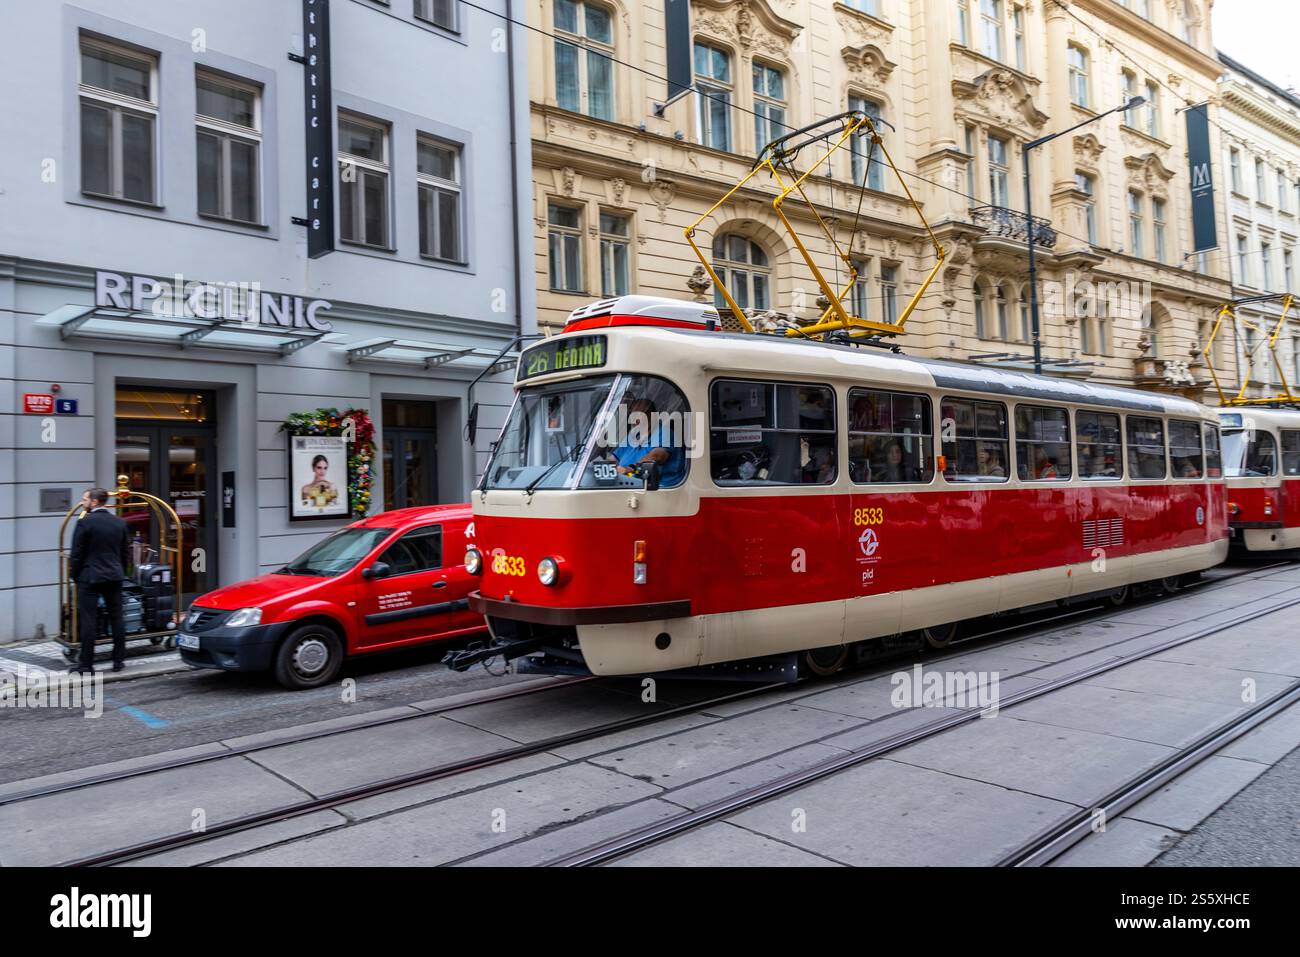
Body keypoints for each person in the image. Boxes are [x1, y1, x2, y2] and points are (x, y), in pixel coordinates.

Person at [68, 487, 131, 675]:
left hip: (90, 576)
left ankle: (87, 665)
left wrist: (75, 575)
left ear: (94, 502)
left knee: (89, 620)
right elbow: (125, 553)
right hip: (114, 575)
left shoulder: (84, 523)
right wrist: (120, 571)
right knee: (117, 617)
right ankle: (118, 661)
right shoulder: (119, 523)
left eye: (85, 499)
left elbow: (76, 553)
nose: (83, 502)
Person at [602, 396, 685, 487]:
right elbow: (614, 457)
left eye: (641, 414)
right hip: (629, 485)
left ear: (652, 415)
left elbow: (657, 456)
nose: (636, 420)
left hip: (660, 488)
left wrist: (631, 468)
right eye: (633, 414)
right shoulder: (634, 434)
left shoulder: (664, 432)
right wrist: (603, 467)